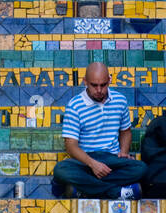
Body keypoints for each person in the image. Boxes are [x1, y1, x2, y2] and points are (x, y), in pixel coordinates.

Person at [52, 62, 149, 200]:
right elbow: (70, 145)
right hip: (86, 161)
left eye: (103, 85)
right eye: (94, 85)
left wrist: (124, 152)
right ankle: (117, 192)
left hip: (112, 160)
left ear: (109, 80)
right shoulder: (75, 106)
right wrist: (93, 164)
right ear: (85, 81)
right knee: (60, 170)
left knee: (142, 169)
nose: (99, 90)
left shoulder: (120, 101)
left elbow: (126, 131)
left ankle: (85, 191)